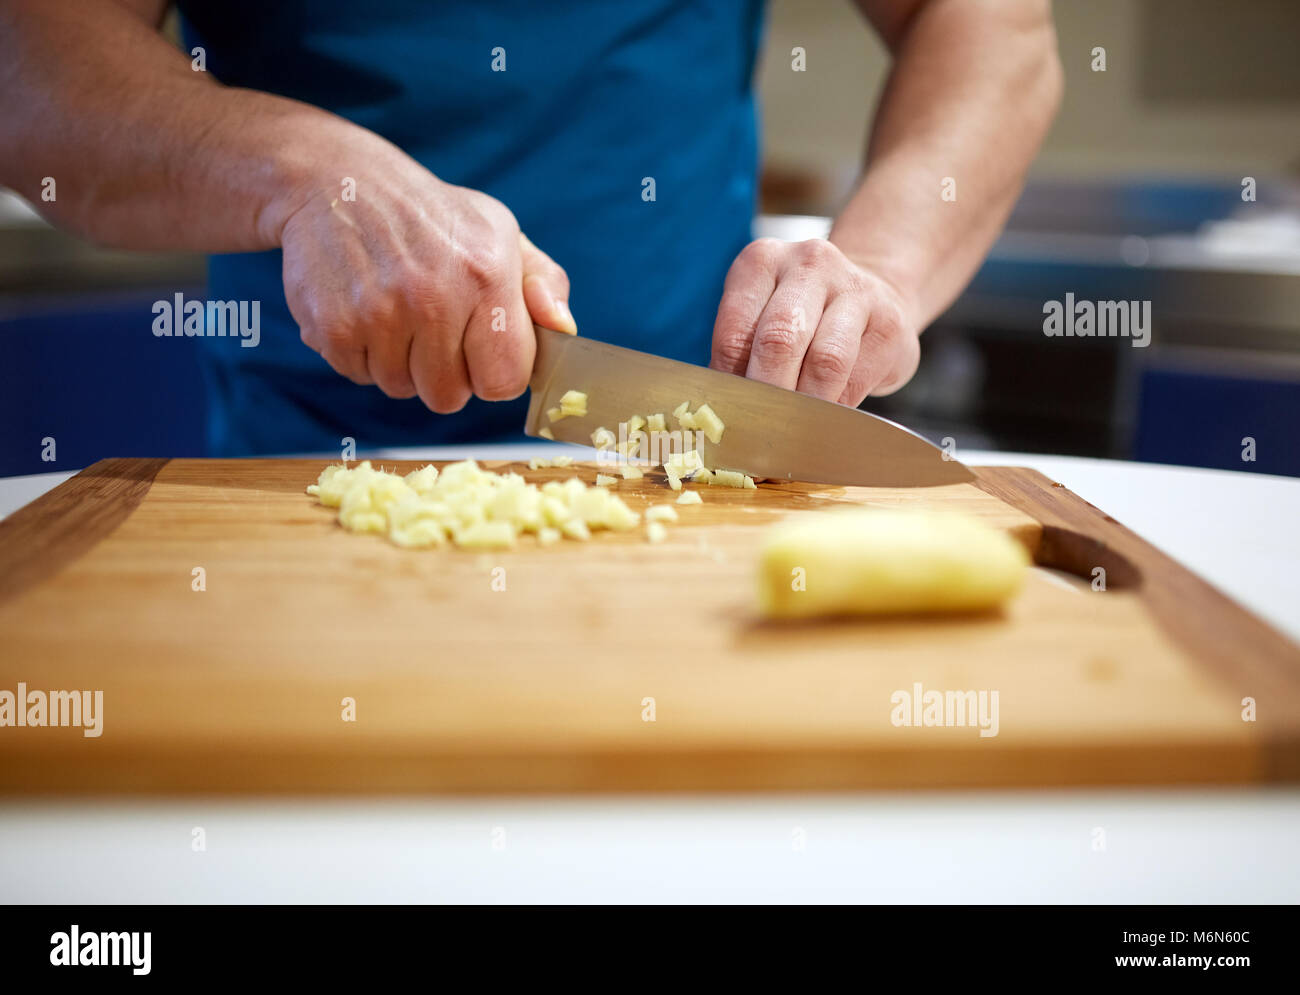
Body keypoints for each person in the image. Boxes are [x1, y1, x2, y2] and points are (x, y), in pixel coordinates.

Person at [0, 0, 1062, 455]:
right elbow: (31, 67)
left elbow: (987, 25)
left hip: (691, 475)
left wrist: (877, 265)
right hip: (297, 479)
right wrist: (303, 170)